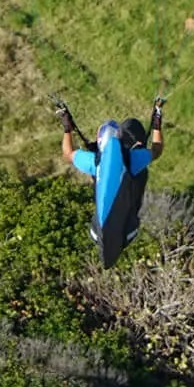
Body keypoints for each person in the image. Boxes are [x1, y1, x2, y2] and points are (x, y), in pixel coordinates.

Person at [57, 97, 164, 267]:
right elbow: (156, 150)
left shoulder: (94, 161)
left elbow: (68, 154)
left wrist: (67, 129)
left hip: (113, 227)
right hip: (127, 220)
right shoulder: (133, 158)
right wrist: (157, 124)